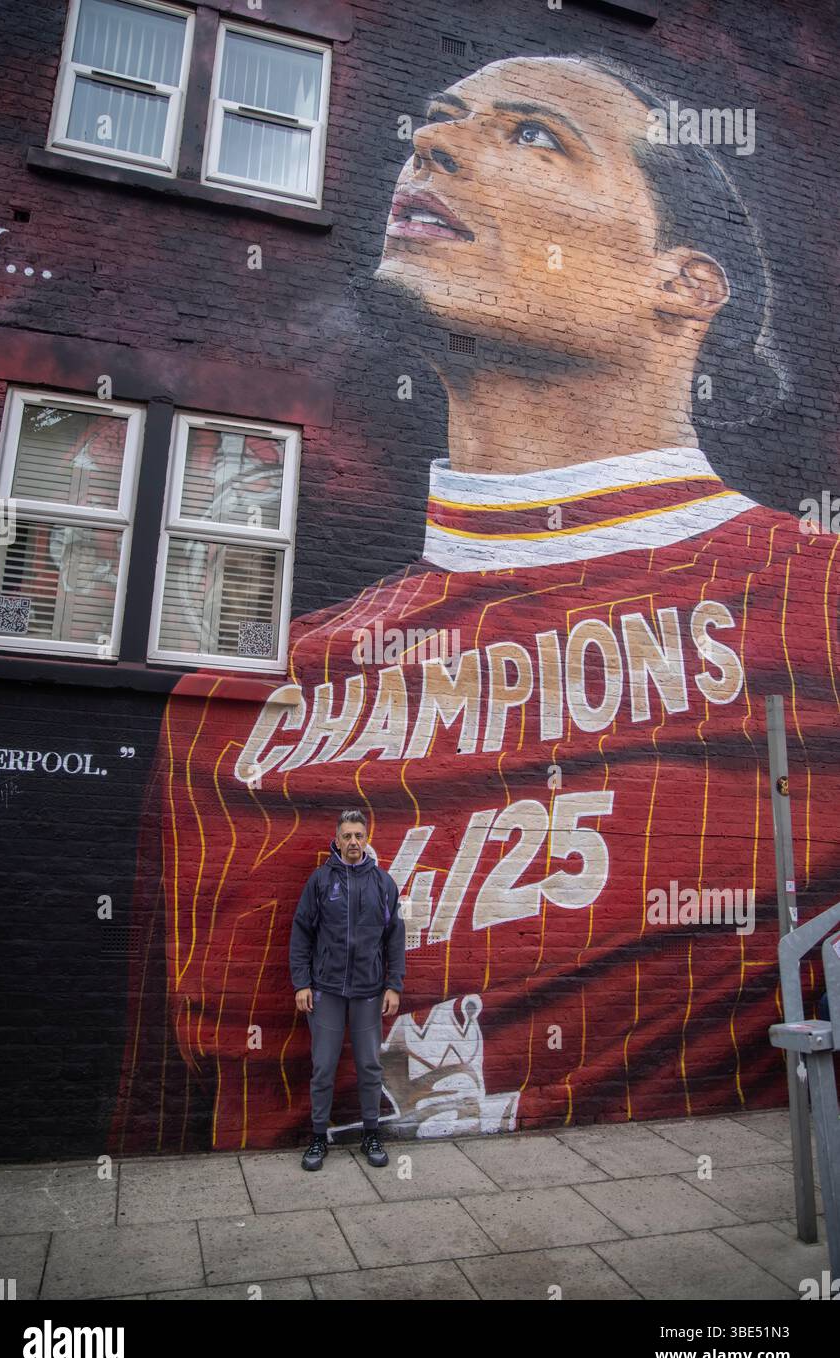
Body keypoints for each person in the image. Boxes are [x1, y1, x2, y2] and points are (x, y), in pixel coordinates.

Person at [110, 54, 840, 1157]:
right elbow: (159, 1135)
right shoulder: (234, 708)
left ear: (683, 282)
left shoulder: (819, 605)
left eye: (534, 136)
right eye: (437, 118)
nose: (433, 144)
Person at [290, 809, 405, 1169]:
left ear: (366, 839)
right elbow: (301, 933)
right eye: (347, 836)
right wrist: (302, 983)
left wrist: (393, 985)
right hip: (325, 991)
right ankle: (318, 1138)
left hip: (369, 992)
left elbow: (395, 940)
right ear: (337, 840)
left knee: (370, 1066)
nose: (353, 842)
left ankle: (371, 1133)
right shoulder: (321, 881)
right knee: (323, 1067)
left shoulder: (383, 884)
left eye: (359, 835)